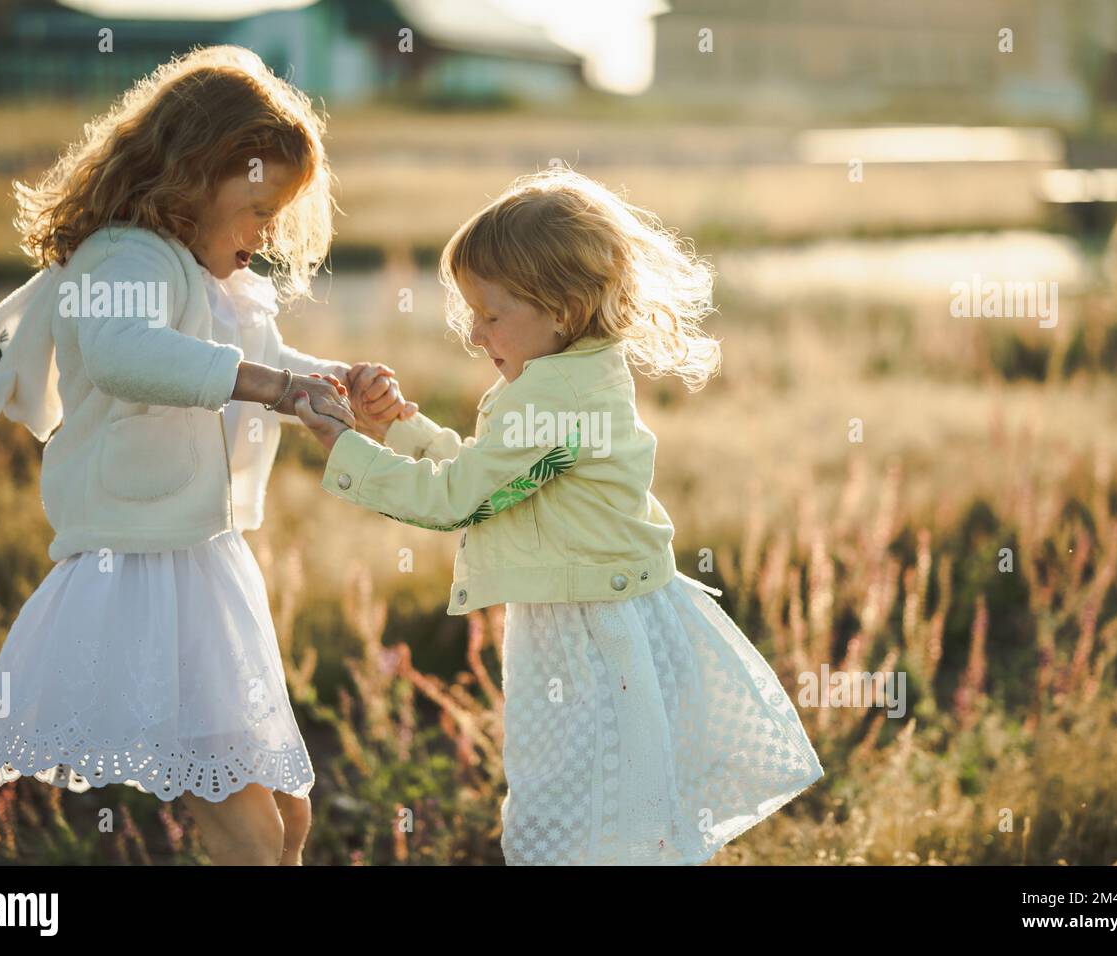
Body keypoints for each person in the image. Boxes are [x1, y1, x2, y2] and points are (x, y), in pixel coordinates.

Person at [294, 166, 825, 865]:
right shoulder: (573, 375)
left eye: (491, 315)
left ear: (563, 310)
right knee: (606, 813)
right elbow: (495, 480)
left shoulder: (553, 398)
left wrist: (345, 450)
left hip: (589, 635)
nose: (475, 334)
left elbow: (458, 500)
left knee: (577, 817)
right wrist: (398, 428)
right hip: (597, 620)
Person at [0, 45, 414, 865]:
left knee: (288, 813)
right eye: (257, 209)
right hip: (143, 570)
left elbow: (263, 361)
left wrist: (338, 383)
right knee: (247, 822)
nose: (267, 232)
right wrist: (274, 387)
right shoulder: (123, 256)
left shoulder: (210, 277)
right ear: (189, 178)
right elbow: (125, 354)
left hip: (203, 560)